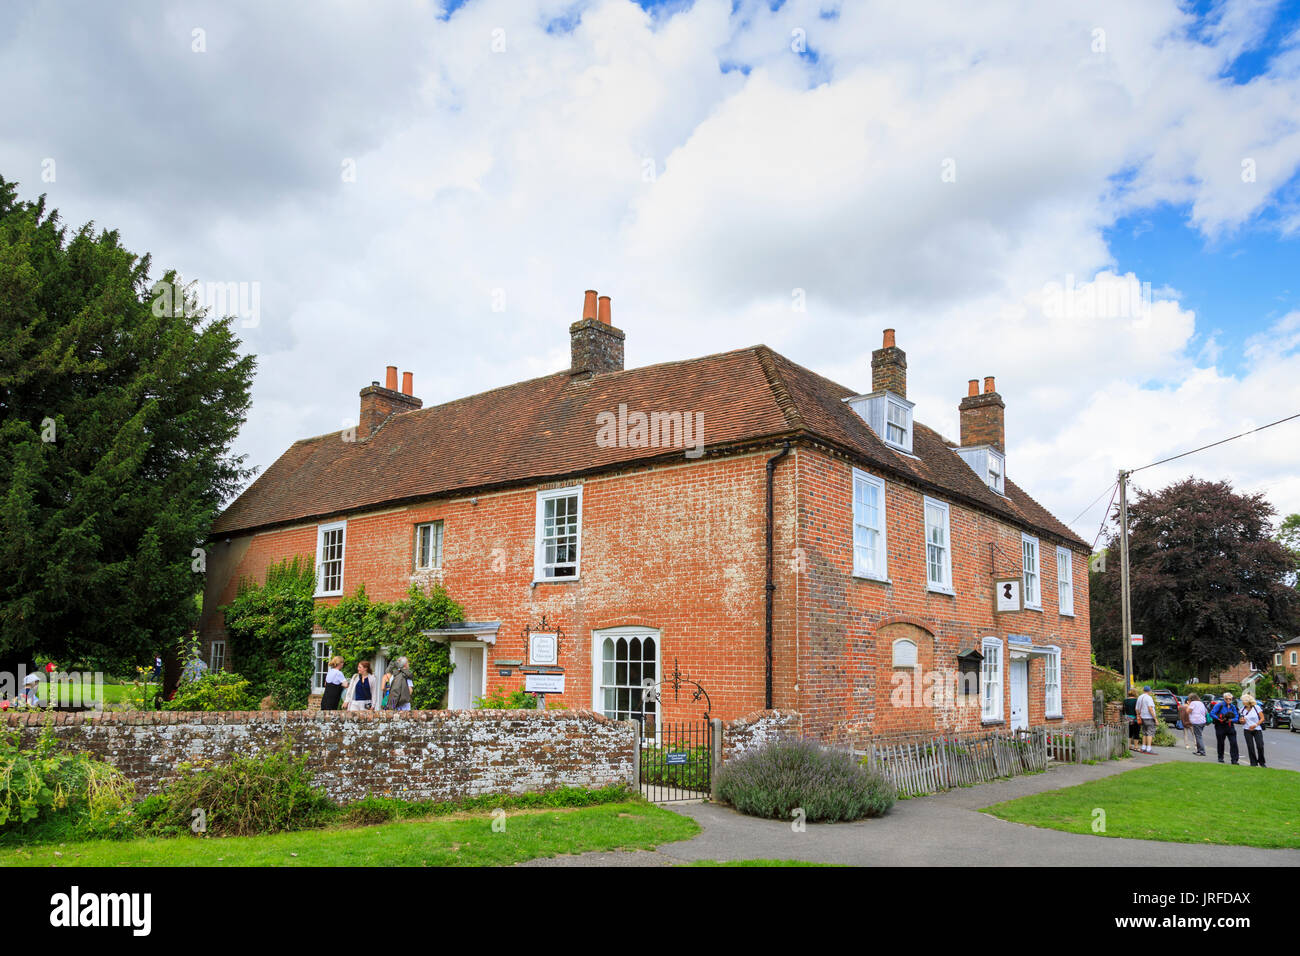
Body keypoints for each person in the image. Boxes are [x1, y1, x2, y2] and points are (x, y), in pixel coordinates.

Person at [1209, 692, 1240, 764]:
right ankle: (1220, 757)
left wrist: (1232, 720)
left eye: (1230, 699)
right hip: (1220, 725)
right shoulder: (1219, 705)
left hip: (1230, 725)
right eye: (1227, 699)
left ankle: (1234, 760)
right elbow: (1212, 713)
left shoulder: (1233, 707)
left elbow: (1236, 717)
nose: (1228, 700)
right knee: (1221, 742)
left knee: (1234, 743)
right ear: (1224, 699)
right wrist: (1219, 719)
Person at [1239, 693, 1267, 768]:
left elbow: (1262, 718)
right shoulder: (1242, 710)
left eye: (1243, 701)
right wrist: (1242, 721)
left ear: (1247, 701)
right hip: (1247, 730)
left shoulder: (1256, 707)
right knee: (1250, 747)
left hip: (1257, 729)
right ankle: (1253, 763)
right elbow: (1242, 721)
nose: (1242, 702)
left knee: (1260, 746)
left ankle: (1262, 762)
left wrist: (1256, 725)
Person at [1135, 685, 1158, 755]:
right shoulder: (1149, 698)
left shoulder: (1139, 697)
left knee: (1144, 732)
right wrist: (1155, 719)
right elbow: (1150, 709)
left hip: (1142, 717)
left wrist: (1138, 715)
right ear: (1149, 691)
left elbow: (1137, 709)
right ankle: (1149, 749)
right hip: (1149, 717)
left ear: (1143, 690)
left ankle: (1143, 747)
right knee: (1150, 733)